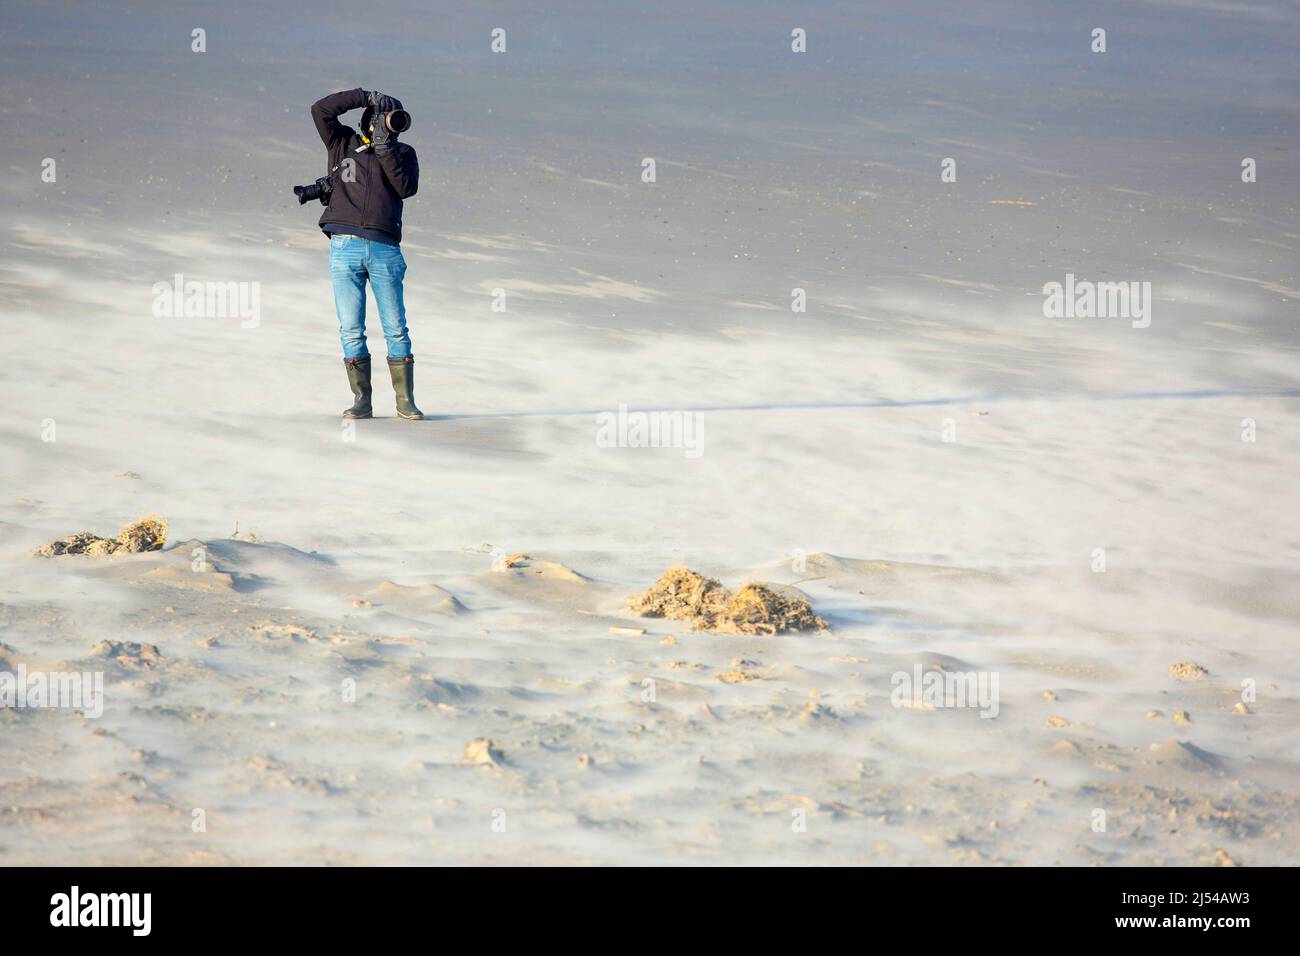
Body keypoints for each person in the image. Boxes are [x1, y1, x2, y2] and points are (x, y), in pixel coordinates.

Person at [309, 88, 423, 420]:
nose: (391, 126)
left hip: (385, 248)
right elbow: (320, 109)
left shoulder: (404, 153)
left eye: (396, 122)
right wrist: (365, 96)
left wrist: (386, 147)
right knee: (350, 328)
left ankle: (405, 402)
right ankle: (362, 400)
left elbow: (406, 188)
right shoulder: (341, 142)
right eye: (385, 119)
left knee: (396, 327)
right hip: (344, 245)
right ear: (368, 121)